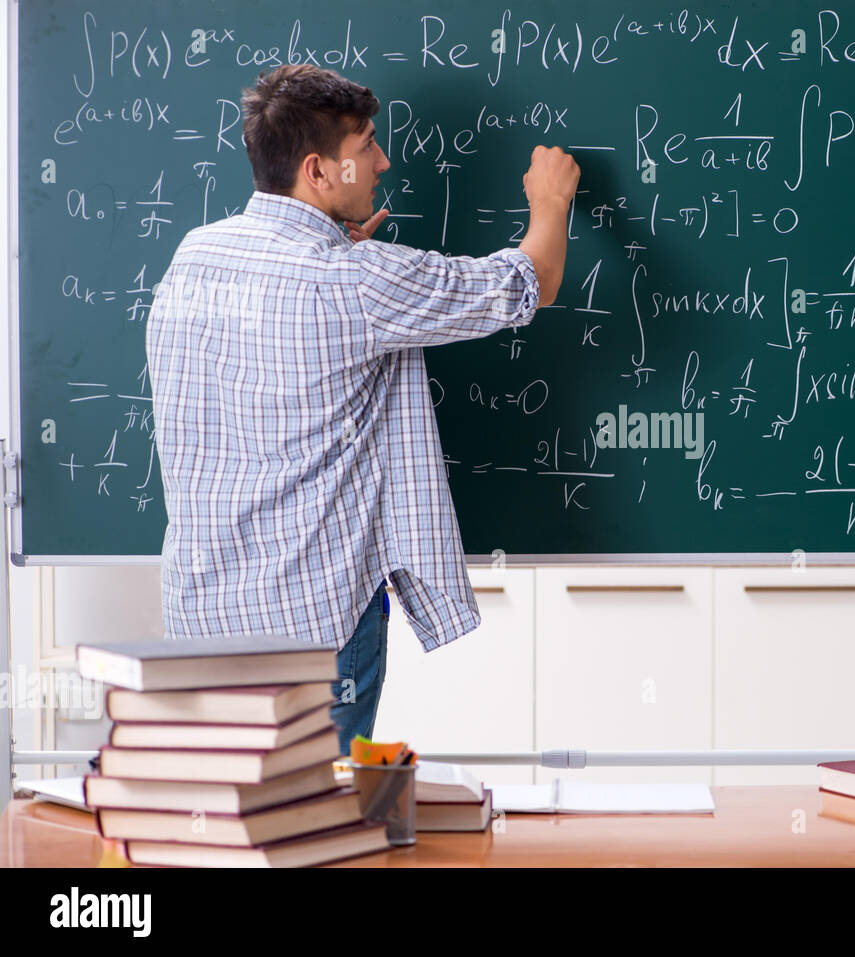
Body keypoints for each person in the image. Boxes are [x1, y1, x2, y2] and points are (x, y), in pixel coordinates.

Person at [145, 64, 580, 753]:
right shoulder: (355, 282)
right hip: (317, 637)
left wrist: (343, 259)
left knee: (229, 828)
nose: (382, 161)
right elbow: (531, 281)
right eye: (366, 147)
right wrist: (549, 203)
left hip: (200, 625)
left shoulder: (194, 256)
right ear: (318, 171)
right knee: (316, 837)